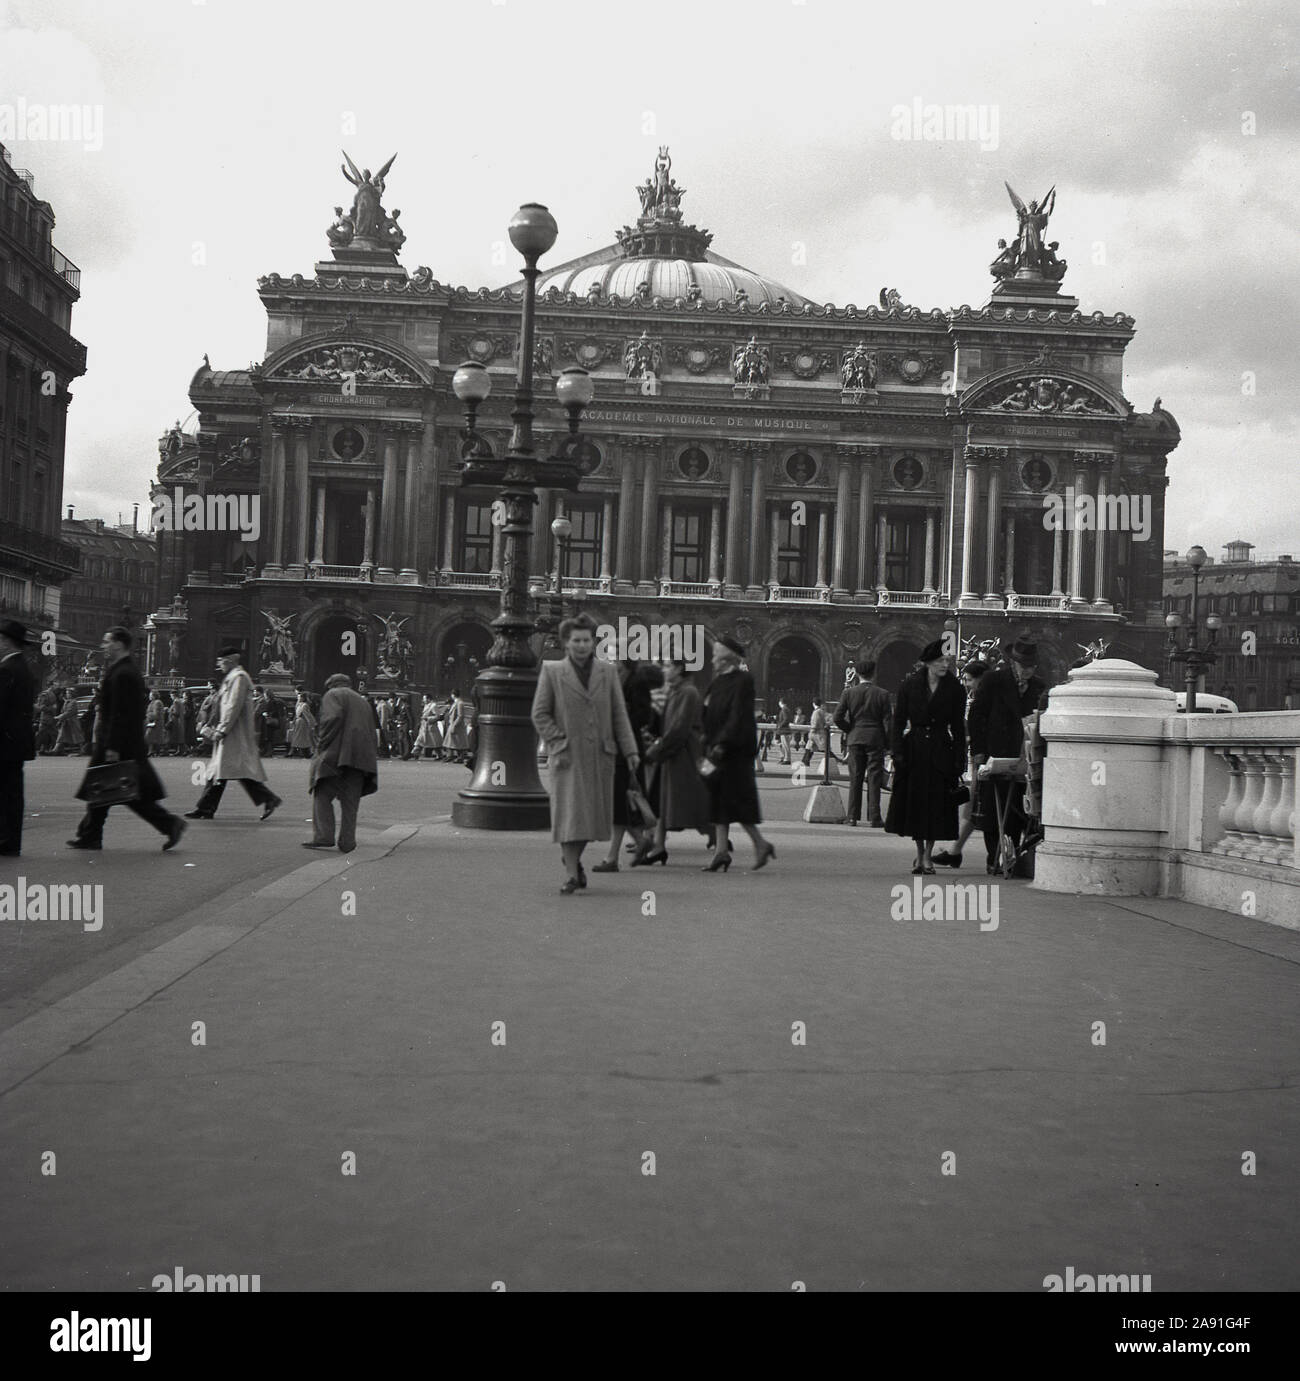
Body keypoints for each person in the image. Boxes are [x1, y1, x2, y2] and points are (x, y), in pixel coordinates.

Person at [531, 612, 639, 895]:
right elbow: (540, 714)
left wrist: (630, 750)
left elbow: (619, 715)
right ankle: (570, 873)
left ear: (593, 642)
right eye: (576, 640)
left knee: (589, 821)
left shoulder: (608, 672)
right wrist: (558, 742)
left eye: (586, 640)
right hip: (567, 757)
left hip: (600, 757)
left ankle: (573, 861)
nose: (581, 645)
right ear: (566, 643)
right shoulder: (552, 672)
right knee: (570, 818)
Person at [68, 626, 186, 852]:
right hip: (120, 741)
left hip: (118, 743)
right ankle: (90, 834)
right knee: (107, 788)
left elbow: (120, 713)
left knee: (119, 790)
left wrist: (112, 746)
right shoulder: (123, 670)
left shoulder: (123, 673)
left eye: (106, 641)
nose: (103, 646)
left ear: (119, 644)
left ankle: (169, 824)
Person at [884, 640, 966, 875]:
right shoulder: (910, 685)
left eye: (947, 660)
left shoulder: (955, 689)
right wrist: (896, 751)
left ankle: (928, 857)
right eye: (940, 661)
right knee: (917, 805)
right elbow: (898, 720)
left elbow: (959, 727)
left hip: (941, 750)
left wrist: (960, 758)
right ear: (928, 663)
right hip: (914, 750)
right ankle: (919, 853)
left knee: (936, 805)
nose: (945, 664)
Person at [968, 638, 1049, 875]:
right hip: (996, 752)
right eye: (1024, 665)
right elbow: (977, 716)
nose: (1028, 670)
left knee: (1017, 810)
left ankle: (1010, 856)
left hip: (1023, 755)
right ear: (1013, 663)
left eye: (1032, 666)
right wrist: (979, 752)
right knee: (993, 811)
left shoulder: (1038, 686)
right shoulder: (994, 680)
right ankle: (994, 857)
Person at [700, 636, 775, 872]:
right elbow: (706, 708)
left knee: (736, 800)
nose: (712, 658)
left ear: (727, 657)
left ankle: (760, 844)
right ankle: (722, 851)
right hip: (716, 748)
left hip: (735, 751)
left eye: (716, 654)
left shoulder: (743, 680)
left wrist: (722, 742)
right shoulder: (718, 681)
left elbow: (737, 715)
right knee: (719, 799)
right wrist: (704, 736)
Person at [186, 646, 284, 821]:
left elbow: (233, 706)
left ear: (229, 660)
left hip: (233, 733)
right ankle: (206, 808)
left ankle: (267, 798)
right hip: (231, 731)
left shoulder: (239, 678)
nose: (219, 665)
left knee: (226, 770)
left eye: (221, 662)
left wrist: (222, 729)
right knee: (221, 770)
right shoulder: (233, 677)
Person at [594, 659, 662, 871]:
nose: (610, 660)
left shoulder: (635, 681)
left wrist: (621, 715)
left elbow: (644, 716)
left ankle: (619, 853)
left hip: (627, 749)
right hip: (616, 747)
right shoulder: (616, 679)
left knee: (619, 799)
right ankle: (629, 846)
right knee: (620, 800)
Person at [641, 658, 711, 861]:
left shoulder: (688, 692)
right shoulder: (676, 690)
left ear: (679, 669)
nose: (664, 670)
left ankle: (716, 836)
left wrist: (657, 749)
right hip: (673, 753)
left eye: (668, 666)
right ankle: (659, 847)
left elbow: (679, 727)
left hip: (683, 754)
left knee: (691, 800)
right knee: (665, 802)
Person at [303, 673, 379, 853]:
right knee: (350, 801)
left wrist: (321, 743)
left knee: (322, 793)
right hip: (361, 757)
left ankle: (324, 836)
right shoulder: (362, 701)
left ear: (331, 685)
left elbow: (332, 719)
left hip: (336, 755)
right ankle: (347, 841)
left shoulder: (333, 695)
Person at [932, 660, 989, 867]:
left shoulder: (983, 700)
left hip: (982, 759)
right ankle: (955, 850)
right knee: (972, 804)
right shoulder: (975, 698)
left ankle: (955, 851)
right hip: (977, 757)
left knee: (974, 804)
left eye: (969, 679)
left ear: (981, 678)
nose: (965, 684)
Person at [834, 659, 892, 826]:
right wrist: (888, 744)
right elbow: (888, 722)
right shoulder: (883, 694)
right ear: (873, 674)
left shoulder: (848, 693)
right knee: (874, 778)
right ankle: (874, 817)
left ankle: (852, 817)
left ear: (857, 674)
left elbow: (837, 717)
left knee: (855, 778)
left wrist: (850, 730)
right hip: (875, 739)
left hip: (855, 738)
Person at [0, 619, 37, 855]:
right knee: (13, 792)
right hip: (18, 739)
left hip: (5, 740)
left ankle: (5, 839)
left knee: (4, 793)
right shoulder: (24, 667)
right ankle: (11, 840)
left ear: (7, 642)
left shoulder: (6, 669)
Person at [54, 688, 85, 756]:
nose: (67, 694)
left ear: (72, 694)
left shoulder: (73, 702)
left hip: (73, 722)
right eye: (67, 693)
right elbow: (63, 711)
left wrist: (59, 716)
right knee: (61, 736)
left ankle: (82, 750)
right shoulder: (67, 701)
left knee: (77, 736)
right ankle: (56, 749)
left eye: (68, 693)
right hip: (66, 722)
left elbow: (69, 712)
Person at [287, 690, 317, 757]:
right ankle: (300, 751)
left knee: (302, 737)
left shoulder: (304, 705)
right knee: (301, 737)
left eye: (300, 697)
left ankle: (296, 751)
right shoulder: (300, 705)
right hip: (300, 722)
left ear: (303, 698)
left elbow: (307, 715)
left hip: (302, 722)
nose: (298, 698)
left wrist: (310, 723)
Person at [413, 695, 440, 760]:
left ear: (428, 699)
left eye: (424, 698)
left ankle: (439, 754)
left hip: (430, 727)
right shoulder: (426, 705)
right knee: (419, 741)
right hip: (424, 727)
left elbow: (437, 716)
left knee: (434, 742)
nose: (423, 700)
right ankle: (415, 753)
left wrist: (427, 718)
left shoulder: (433, 705)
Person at [444, 692, 469, 763]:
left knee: (458, 742)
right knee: (451, 742)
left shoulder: (460, 703)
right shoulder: (456, 703)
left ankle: (459, 757)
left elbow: (460, 716)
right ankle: (451, 756)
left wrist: (454, 725)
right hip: (453, 724)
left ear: (453, 695)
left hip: (457, 726)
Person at [144, 690, 167, 755]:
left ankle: (153, 751)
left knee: (150, 736)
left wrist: (148, 715)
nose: (149, 696)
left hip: (156, 723)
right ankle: (152, 751)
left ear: (154, 696)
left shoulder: (157, 702)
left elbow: (156, 714)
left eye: (150, 695)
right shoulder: (152, 702)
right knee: (152, 737)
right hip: (152, 722)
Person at [775, 698, 792, 764]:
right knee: (783, 745)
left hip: (784, 730)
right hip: (784, 730)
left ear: (781, 702)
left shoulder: (784, 709)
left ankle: (787, 759)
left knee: (785, 745)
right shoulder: (786, 709)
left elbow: (786, 719)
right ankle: (784, 758)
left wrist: (780, 725)